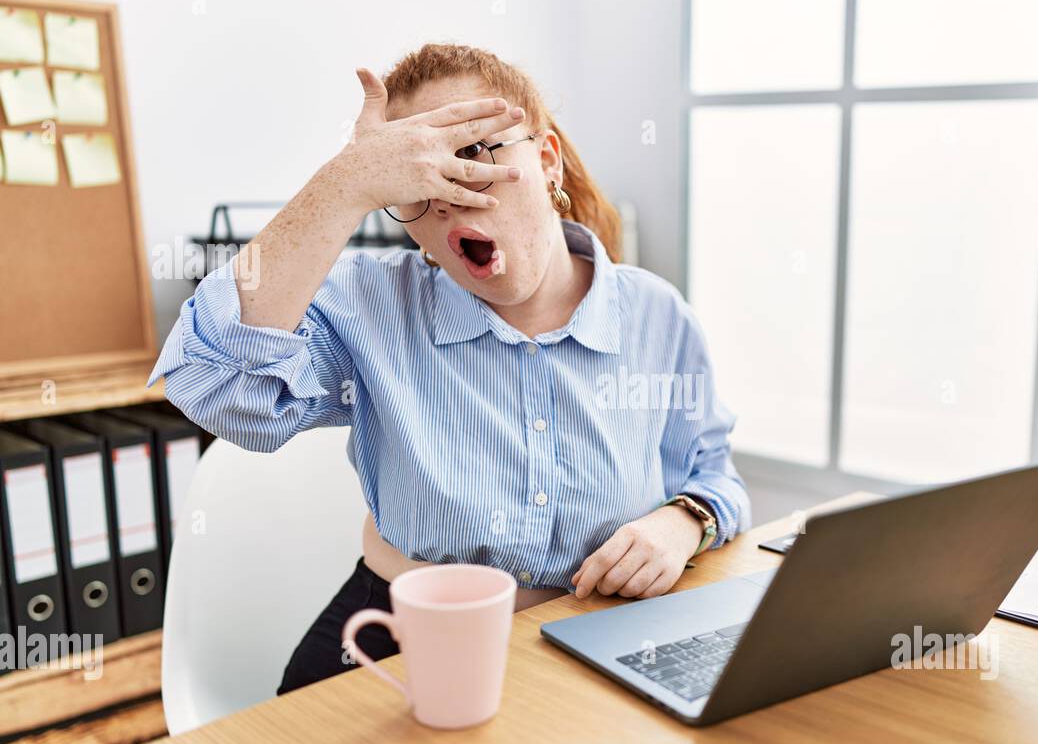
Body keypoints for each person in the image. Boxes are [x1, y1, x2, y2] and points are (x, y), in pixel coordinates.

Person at [149, 43, 750, 694]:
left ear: (545, 160)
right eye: (410, 176)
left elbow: (714, 472)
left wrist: (685, 520)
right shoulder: (367, 304)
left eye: (472, 153)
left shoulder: (657, 315)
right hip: (403, 634)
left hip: (602, 627)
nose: (445, 193)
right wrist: (343, 185)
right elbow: (215, 382)